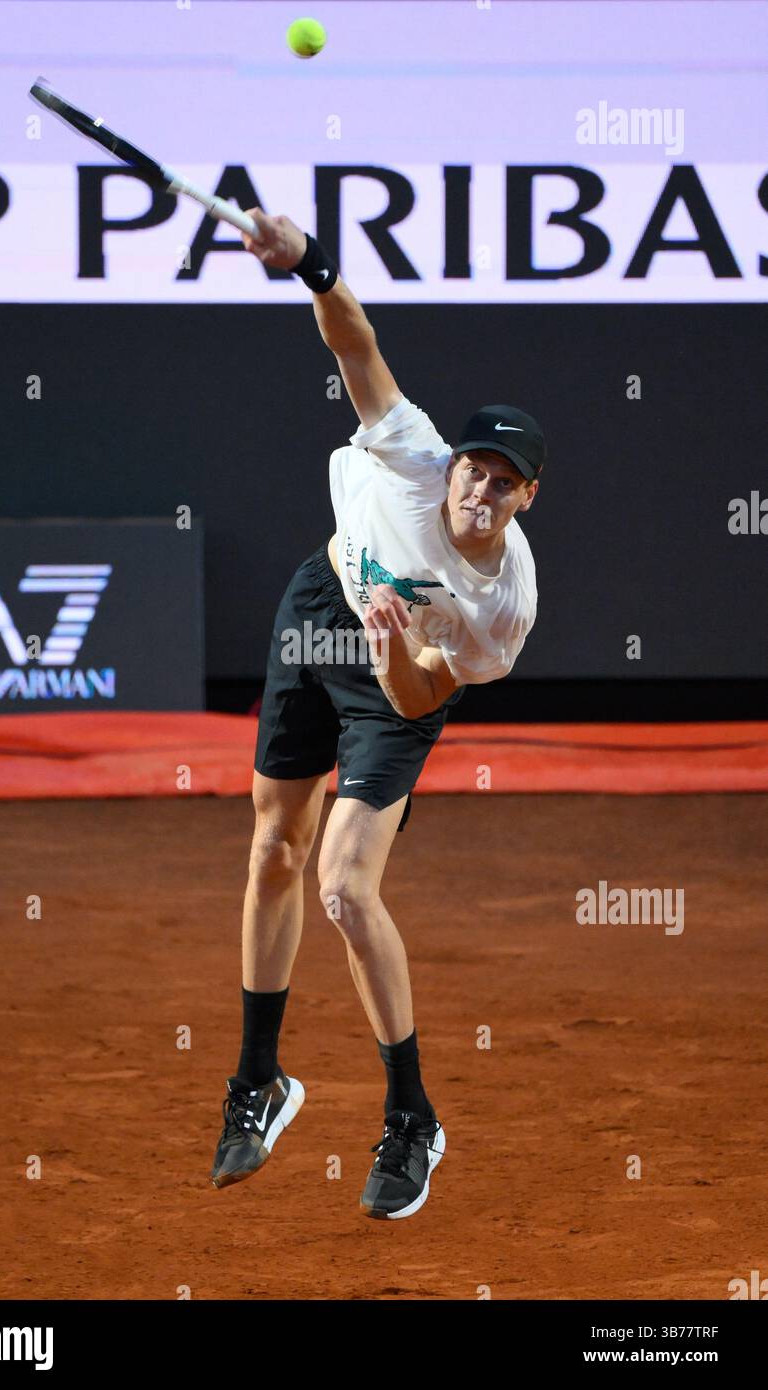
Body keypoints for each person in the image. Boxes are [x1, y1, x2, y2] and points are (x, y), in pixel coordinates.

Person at [210, 209, 545, 1219]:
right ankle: (258, 1080)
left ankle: (411, 1118)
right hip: (321, 604)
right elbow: (354, 338)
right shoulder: (406, 449)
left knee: (344, 889)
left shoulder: (497, 614)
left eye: (503, 480)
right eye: (472, 468)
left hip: (396, 668)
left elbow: (412, 701)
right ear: (451, 467)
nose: (479, 487)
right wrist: (306, 264)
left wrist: (397, 645)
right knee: (272, 845)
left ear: (526, 498)